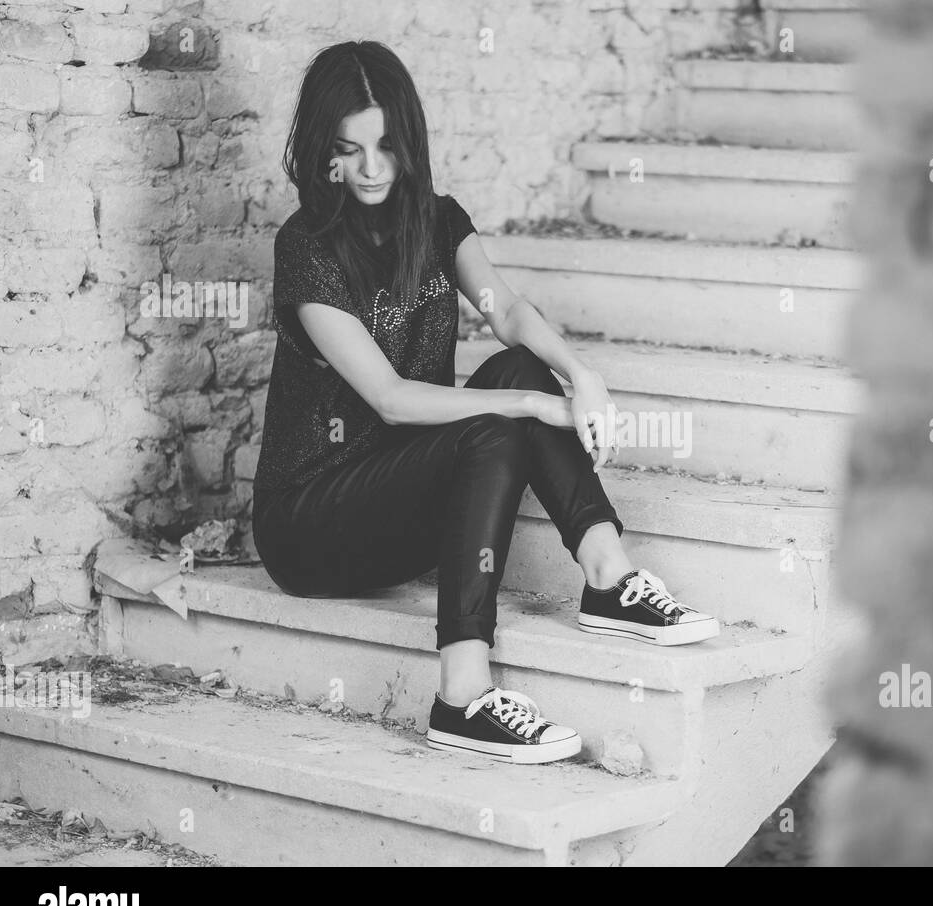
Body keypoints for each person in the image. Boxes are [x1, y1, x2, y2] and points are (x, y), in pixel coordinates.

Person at [251, 40, 720, 765]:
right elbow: (390, 398)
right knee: (500, 420)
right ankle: (461, 697)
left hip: (403, 492)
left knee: (516, 366)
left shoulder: (437, 222)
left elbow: (506, 312)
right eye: (350, 150)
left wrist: (579, 375)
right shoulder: (307, 248)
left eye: (387, 146)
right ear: (323, 153)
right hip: (311, 521)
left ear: (409, 140)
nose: (372, 169)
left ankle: (609, 578)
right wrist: (536, 405)